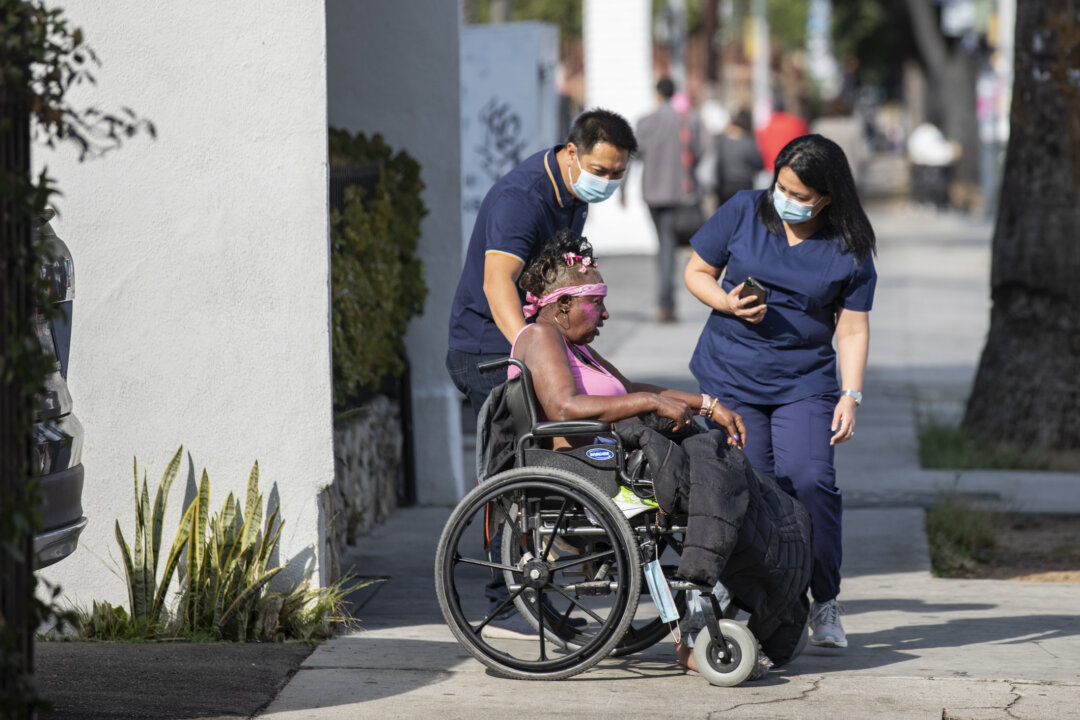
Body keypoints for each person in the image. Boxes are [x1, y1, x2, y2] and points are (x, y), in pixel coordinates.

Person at [509, 229, 811, 675]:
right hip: (591, 470)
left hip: (617, 462)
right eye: (597, 302)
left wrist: (706, 404)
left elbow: (629, 389)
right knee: (722, 486)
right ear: (563, 304)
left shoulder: (574, 347)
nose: (606, 313)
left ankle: (760, 607)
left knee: (745, 489)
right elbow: (564, 408)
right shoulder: (541, 336)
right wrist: (651, 403)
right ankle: (708, 619)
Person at [446, 108, 638, 639]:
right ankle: (505, 603)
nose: (608, 181)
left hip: (532, 343)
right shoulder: (522, 198)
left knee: (561, 460)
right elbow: (497, 285)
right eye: (601, 170)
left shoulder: (573, 194)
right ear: (572, 152)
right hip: (488, 348)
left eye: (618, 173)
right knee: (512, 476)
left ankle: (556, 582)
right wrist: (530, 352)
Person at [683, 134, 877, 650]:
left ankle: (824, 597)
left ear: (827, 198)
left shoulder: (850, 247)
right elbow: (696, 271)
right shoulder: (745, 209)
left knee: (810, 481)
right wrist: (726, 303)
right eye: (781, 186)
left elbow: (852, 328)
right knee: (754, 486)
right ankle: (760, 601)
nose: (785, 198)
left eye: (799, 194)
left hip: (803, 382)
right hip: (731, 376)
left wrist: (851, 395)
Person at [634, 77, 703, 324]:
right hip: (679, 193)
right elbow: (698, 153)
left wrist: (620, 191)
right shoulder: (689, 120)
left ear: (657, 94)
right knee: (668, 246)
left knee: (664, 245)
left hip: (652, 192)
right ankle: (667, 304)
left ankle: (665, 303)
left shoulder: (645, 121)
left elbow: (634, 154)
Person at [714, 108, 763, 207]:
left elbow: (719, 165)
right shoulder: (749, 142)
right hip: (744, 185)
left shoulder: (722, 141)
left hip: (725, 186)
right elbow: (759, 164)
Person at [755, 99, 809, 175]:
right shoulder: (798, 124)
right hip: (794, 169)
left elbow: (760, 150)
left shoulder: (764, 127)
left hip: (771, 169)